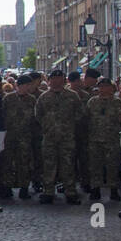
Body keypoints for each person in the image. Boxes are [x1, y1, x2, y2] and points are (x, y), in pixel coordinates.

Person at [35, 69, 85, 204]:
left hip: (67, 137)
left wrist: (69, 124)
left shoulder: (72, 96)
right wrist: (47, 125)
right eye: (54, 79)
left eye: (60, 78)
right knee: (49, 165)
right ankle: (48, 191)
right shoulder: (44, 97)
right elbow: (38, 114)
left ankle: (70, 191)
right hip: (49, 137)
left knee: (68, 165)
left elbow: (80, 113)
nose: (57, 81)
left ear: (64, 80)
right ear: (50, 80)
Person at [86, 77, 121, 201]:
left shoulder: (117, 102)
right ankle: (95, 189)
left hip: (112, 138)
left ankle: (113, 189)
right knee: (95, 165)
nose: (103, 89)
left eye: (105, 86)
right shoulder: (92, 102)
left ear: (111, 88)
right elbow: (86, 118)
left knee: (113, 165)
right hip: (95, 138)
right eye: (101, 87)